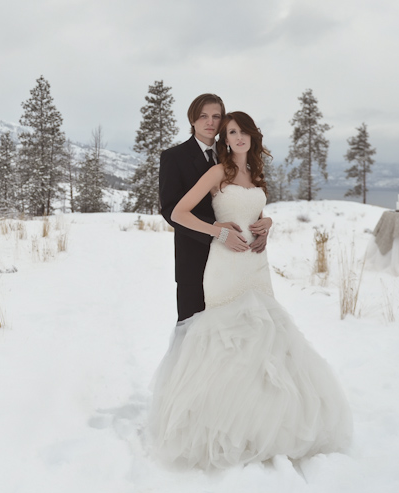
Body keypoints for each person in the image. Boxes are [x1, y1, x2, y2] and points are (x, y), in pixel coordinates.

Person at [147, 111, 353, 468]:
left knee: (267, 335)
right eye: (231, 132)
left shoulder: (255, 173)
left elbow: (254, 209)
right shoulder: (216, 172)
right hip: (226, 264)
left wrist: (267, 222)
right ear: (224, 139)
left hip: (256, 264)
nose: (238, 137)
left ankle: (268, 424)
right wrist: (220, 232)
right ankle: (218, 425)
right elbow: (179, 212)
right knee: (229, 337)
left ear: (253, 137)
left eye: (243, 132)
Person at [159, 94, 271, 323]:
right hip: (194, 255)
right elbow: (171, 210)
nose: (210, 122)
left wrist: (265, 223)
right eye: (203, 116)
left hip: (241, 256)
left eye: (216, 116)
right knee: (195, 334)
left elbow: (243, 202)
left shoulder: (231, 156)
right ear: (192, 120)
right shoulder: (174, 157)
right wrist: (216, 230)